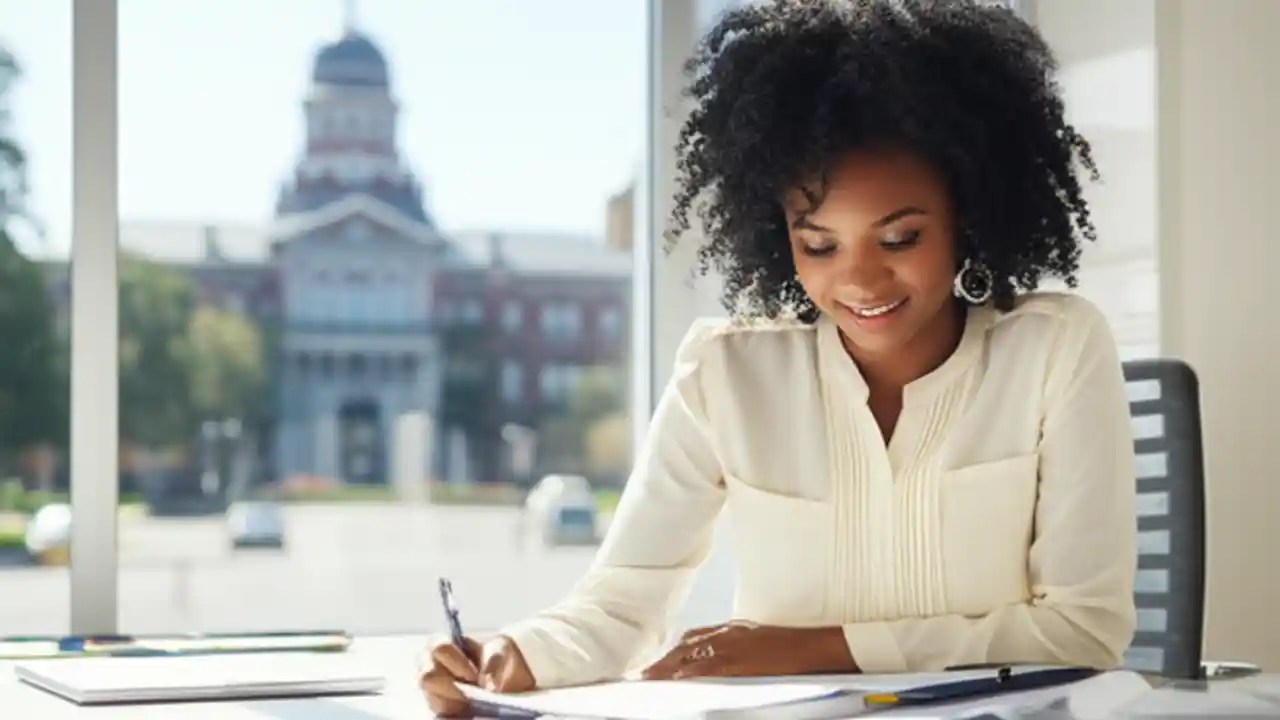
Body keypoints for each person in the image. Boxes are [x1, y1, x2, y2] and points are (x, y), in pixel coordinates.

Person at [420, 0, 1137, 714]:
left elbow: (1083, 630)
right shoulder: (726, 372)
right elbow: (619, 605)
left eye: (899, 239)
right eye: (819, 245)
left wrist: (811, 647)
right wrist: (511, 657)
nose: (860, 280)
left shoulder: (1056, 349)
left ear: (967, 218)